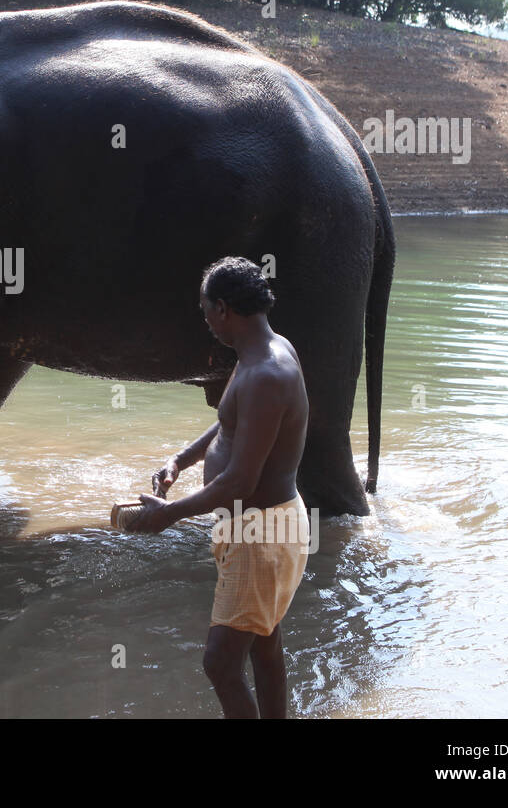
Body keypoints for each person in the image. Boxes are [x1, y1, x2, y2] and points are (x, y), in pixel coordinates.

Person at [127, 256, 311, 718]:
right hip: (259, 530)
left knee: (219, 664)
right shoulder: (262, 354)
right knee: (263, 648)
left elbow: (239, 481)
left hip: (259, 534)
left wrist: (168, 513)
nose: (205, 320)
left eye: (206, 309)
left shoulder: (266, 374)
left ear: (224, 309)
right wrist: (181, 460)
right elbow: (229, 424)